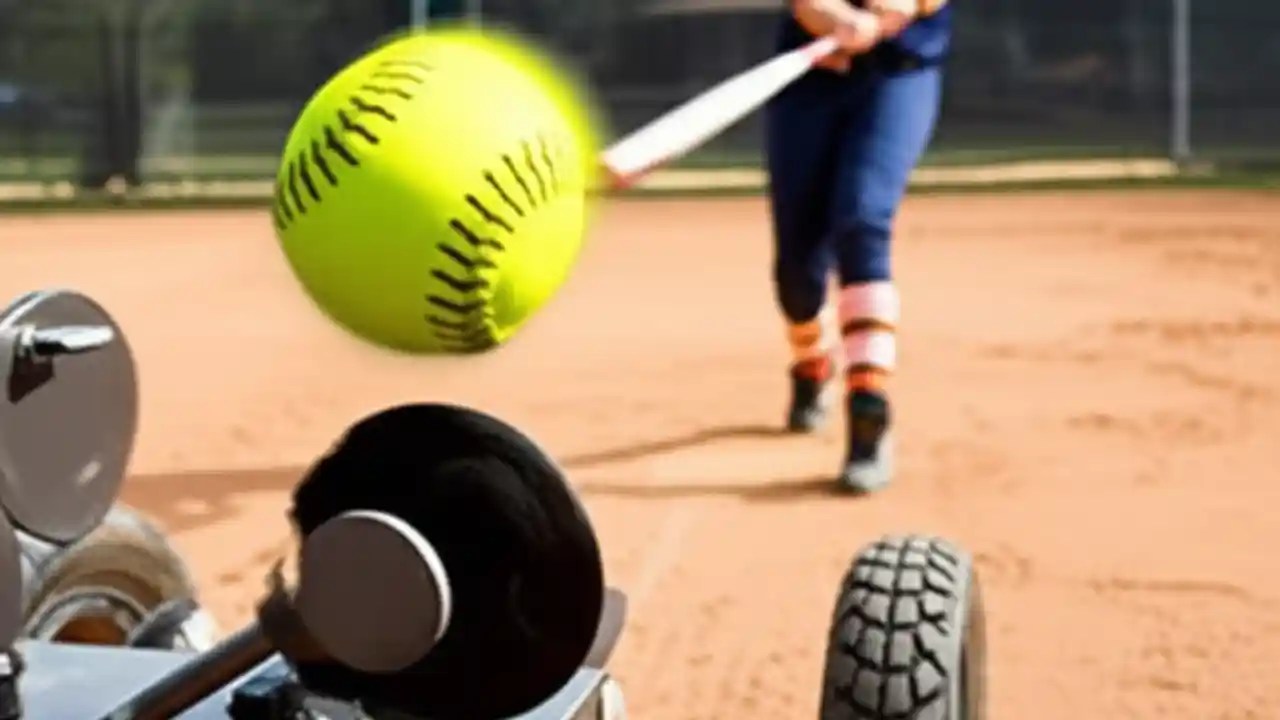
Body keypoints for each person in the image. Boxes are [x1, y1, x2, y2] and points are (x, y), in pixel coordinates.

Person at [765, 0, 952, 492]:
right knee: (797, 271)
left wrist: (901, 6)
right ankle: (811, 362)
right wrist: (830, 16)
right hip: (810, 74)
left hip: (899, 74)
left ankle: (868, 409)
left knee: (863, 218)